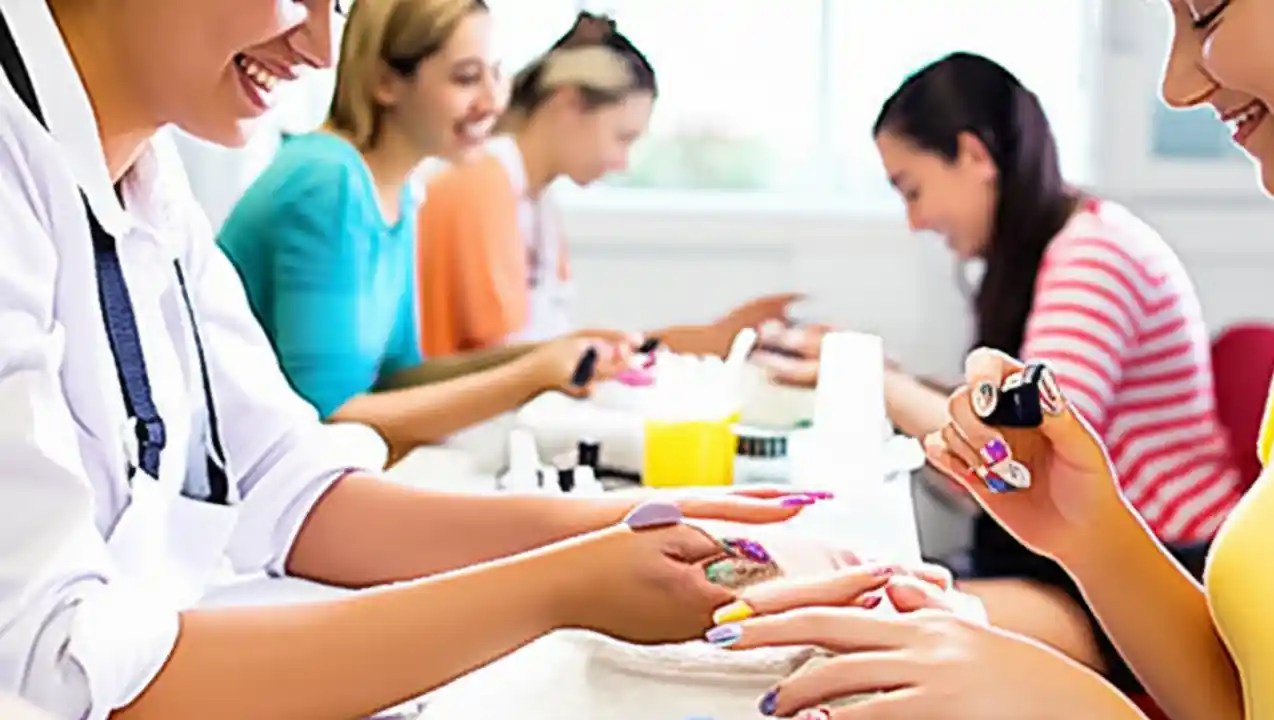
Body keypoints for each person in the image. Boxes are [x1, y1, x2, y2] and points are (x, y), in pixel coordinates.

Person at [0, 1, 823, 716]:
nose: (323, 49)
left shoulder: (149, 177)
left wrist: (647, 522)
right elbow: (57, 671)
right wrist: (562, 588)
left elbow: (290, 485)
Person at [697, 2, 1274, 717]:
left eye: (912, 189)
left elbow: (1017, 449)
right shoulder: (1053, 250)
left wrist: (869, 377)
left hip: (1172, 553)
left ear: (974, 156)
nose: (914, 221)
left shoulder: (1094, 252)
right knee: (840, 597)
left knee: (855, 629)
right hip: (1110, 559)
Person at [218, 0, 633, 463]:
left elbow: (399, 376)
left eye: (496, 74)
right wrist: (531, 374)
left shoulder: (402, 191)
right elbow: (330, 420)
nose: (494, 102)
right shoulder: (328, 182)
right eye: (465, 78)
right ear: (385, 82)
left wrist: (551, 354)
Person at [416, 11, 797, 358]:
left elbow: (544, 353)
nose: (623, 162)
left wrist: (711, 339)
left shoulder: (537, 203)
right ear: (568, 105)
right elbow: (508, 358)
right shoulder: (479, 184)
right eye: (622, 136)